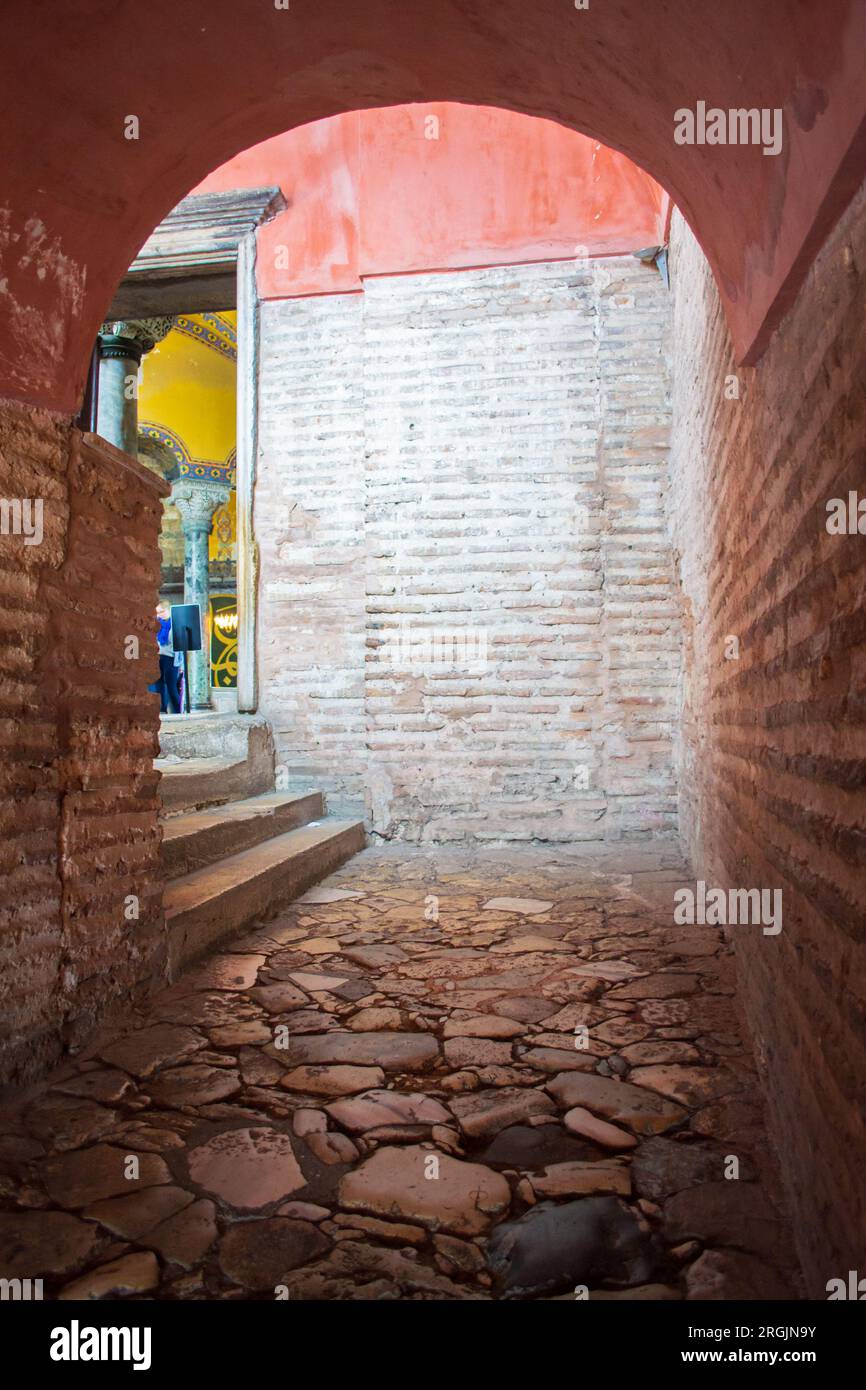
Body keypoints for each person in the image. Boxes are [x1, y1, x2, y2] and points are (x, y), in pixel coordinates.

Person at [154, 602, 182, 713]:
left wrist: (181, 664)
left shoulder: (175, 624)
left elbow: (180, 644)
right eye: (157, 612)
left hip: (170, 657)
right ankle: (162, 709)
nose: (159, 614)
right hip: (156, 657)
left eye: (161, 611)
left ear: (168, 610)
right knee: (158, 685)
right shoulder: (155, 624)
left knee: (171, 686)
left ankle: (176, 710)